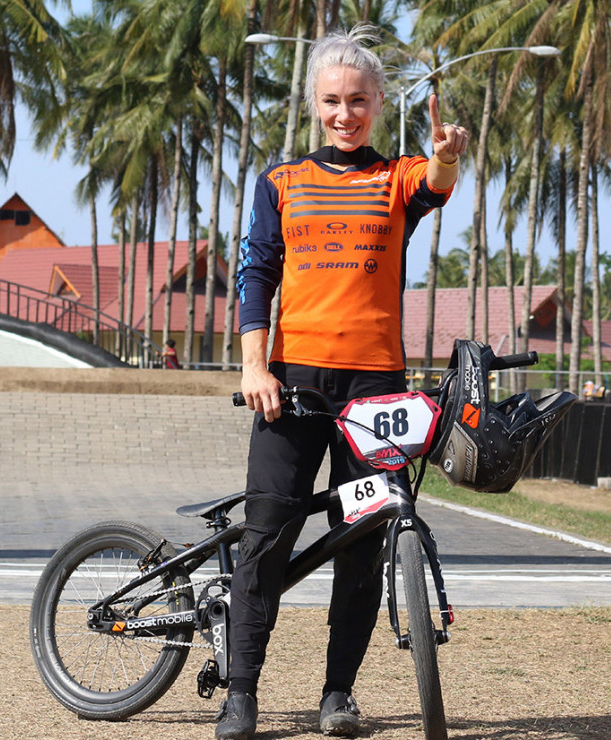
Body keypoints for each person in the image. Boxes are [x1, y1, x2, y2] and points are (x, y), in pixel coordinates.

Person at [223, 25, 467, 740]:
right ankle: (240, 696)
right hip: (292, 384)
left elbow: (436, 181)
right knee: (267, 539)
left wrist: (447, 156)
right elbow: (256, 274)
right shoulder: (281, 183)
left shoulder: (396, 181)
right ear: (313, 106)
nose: (344, 114)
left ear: (378, 104)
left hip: (375, 393)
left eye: (357, 101)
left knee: (361, 543)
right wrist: (252, 366)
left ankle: (338, 695)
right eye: (331, 101)